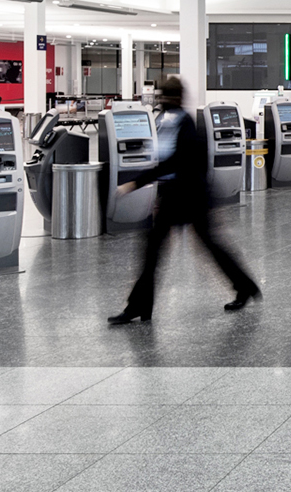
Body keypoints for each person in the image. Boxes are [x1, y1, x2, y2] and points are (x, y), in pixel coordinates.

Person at [109, 76, 261, 324]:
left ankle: (245, 286)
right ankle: (139, 305)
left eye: (167, 97)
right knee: (153, 251)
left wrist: (135, 182)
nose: (164, 101)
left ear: (175, 98)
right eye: (162, 97)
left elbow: (174, 162)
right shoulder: (169, 121)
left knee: (207, 247)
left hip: (190, 197)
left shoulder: (185, 124)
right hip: (175, 194)